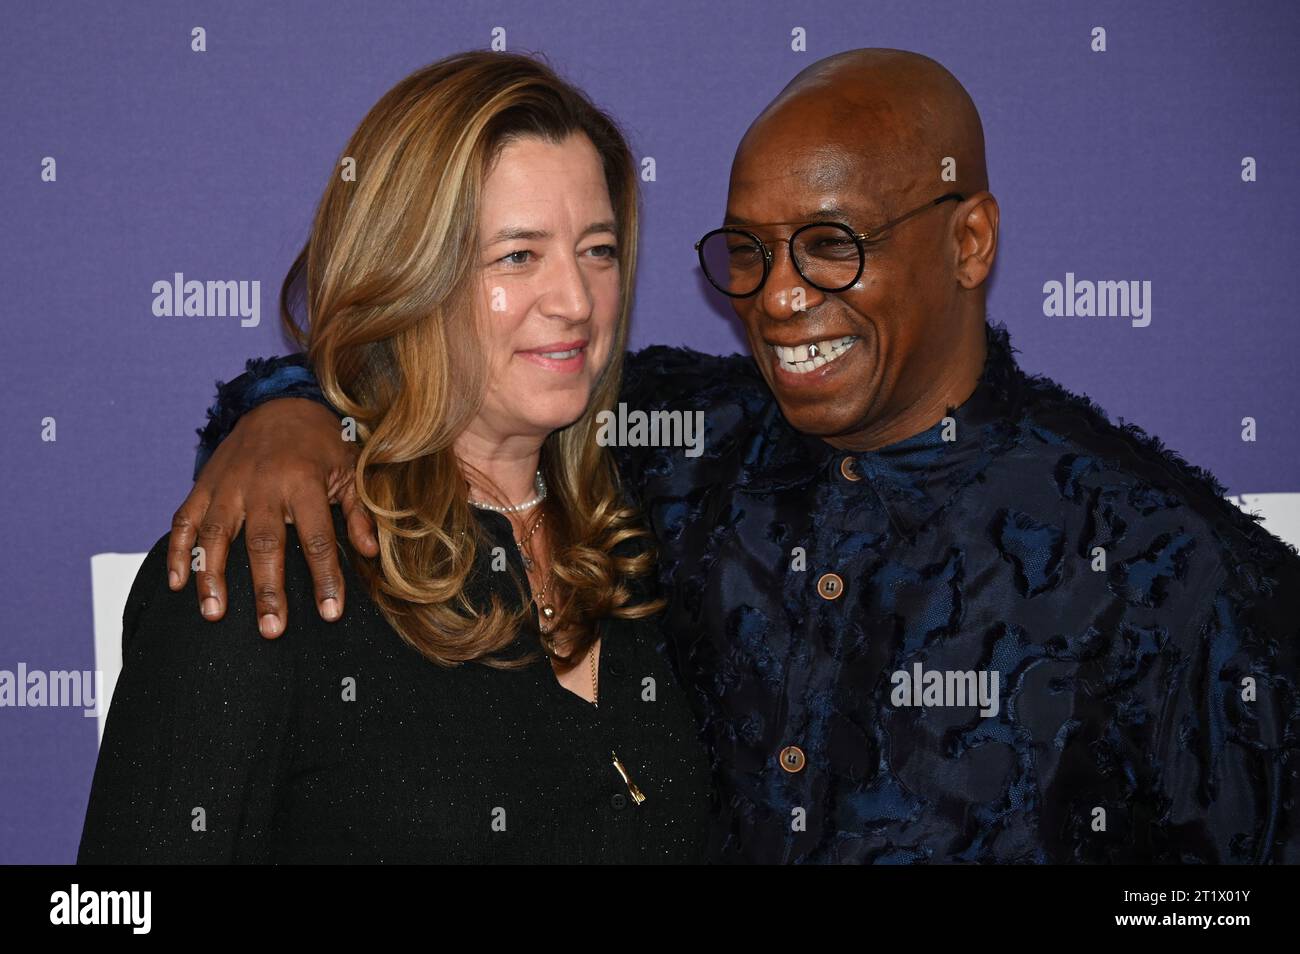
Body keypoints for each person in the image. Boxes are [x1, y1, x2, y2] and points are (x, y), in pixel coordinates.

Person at [163, 49, 1300, 864]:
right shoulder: (669, 442)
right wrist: (294, 420)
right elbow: (446, 372)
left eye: (830, 245)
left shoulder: (1166, 564)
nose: (781, 298)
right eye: (745, 253)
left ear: (969, 241)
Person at [77, 51, 712, 864]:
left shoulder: (651, 540)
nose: (576, 302)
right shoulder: (266, 563)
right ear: (407, 277)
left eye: (598, 250)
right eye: (517, 256)